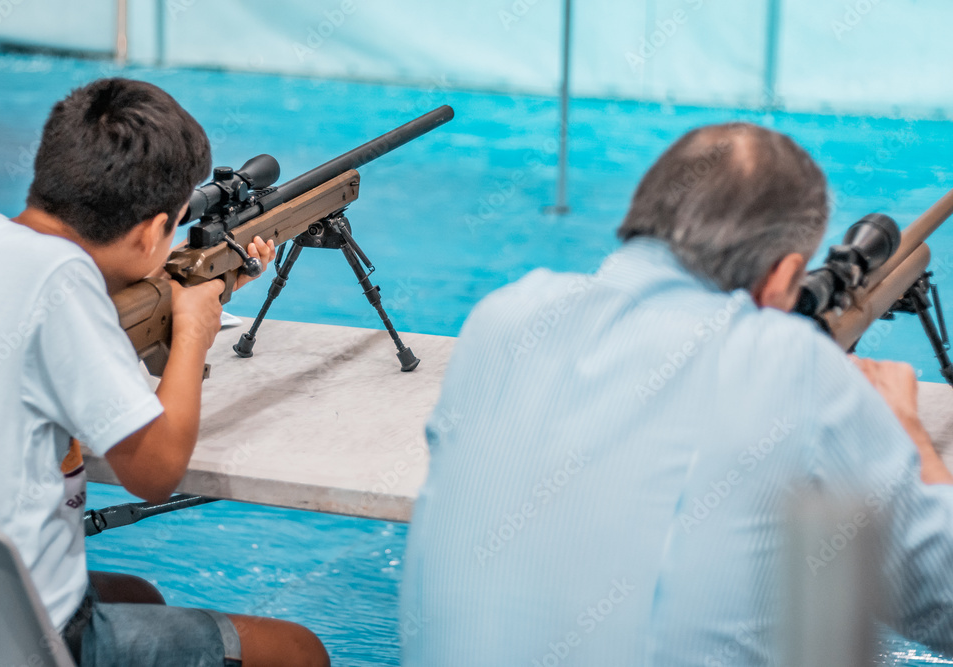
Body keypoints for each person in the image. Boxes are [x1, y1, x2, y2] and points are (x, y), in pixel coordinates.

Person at [400, 122, 953, 665]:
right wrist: (911, 441)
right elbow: (942, 602)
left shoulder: (503, 318)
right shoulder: (789, 363)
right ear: (786, 277)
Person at [0, 78, 329, 667]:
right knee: (297, 651)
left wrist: (211, 286)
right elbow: (154, 471)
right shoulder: (65, 285)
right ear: (155, 230)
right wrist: (195, 333)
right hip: (22, 640)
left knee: (139, 597)